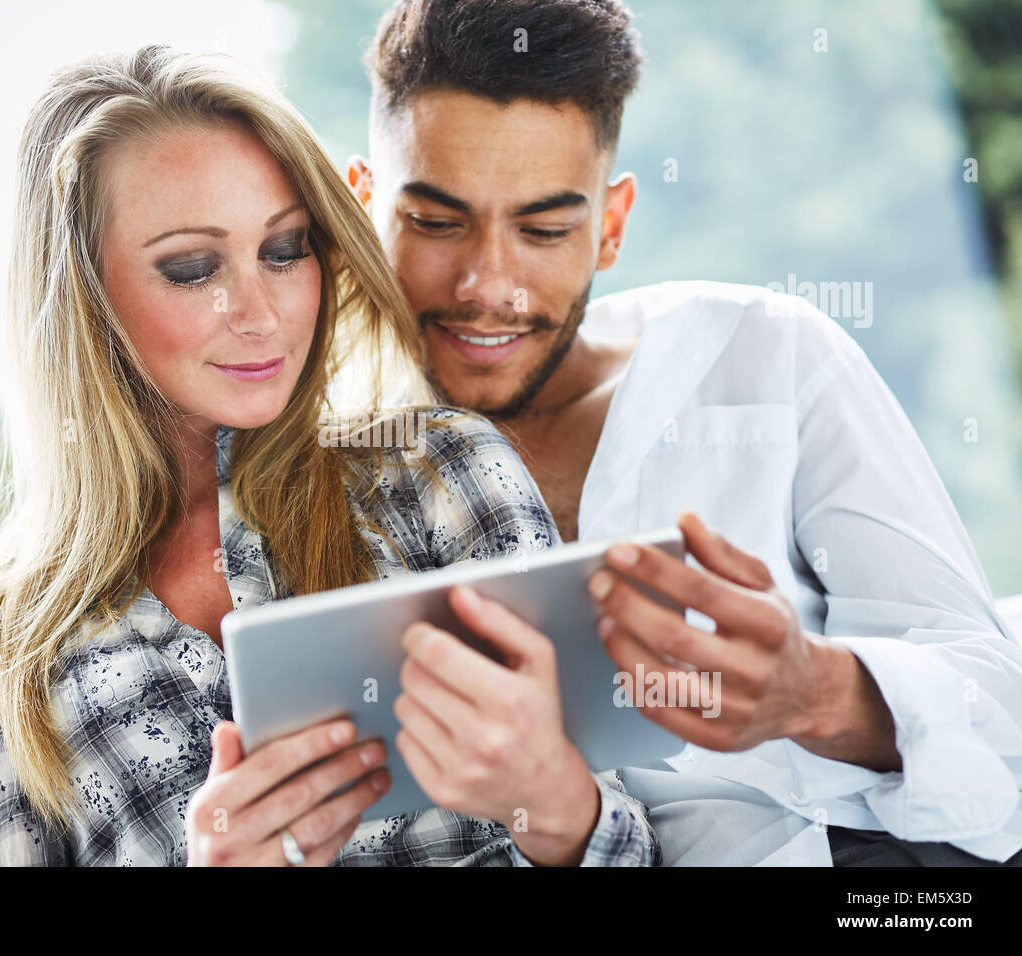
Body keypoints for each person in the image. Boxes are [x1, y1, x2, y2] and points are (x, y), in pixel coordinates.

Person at [0, 44, 657, 866]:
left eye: (285, 248)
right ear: (85, 293)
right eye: (192, 268)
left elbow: (624, 842)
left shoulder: (442, 474)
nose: (260, 314)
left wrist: (554, 803)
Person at [348, 0, 1022, 865]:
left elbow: (998, 698)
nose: (490, 285)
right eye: (436, 223)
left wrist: (817, 692)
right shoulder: (322, 476)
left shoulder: (765, 356)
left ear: (611, 226)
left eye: (546, 230)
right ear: (365, 204)